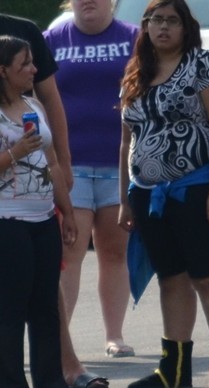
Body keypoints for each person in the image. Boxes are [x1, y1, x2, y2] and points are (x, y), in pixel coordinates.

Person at [118, 0, 209, 388]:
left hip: (197, 188)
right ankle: (172, 370)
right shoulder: (137, 70)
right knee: (171, 279)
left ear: (186, 27)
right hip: (146, 194)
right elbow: (128, 139)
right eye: (156, 20)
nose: (163, 28)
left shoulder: (205, 65)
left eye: (172, 21)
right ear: (145, 26)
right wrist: (125, 198)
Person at [0, 11, 107, 388]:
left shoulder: (34, 106)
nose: (34, 69)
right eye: (25, 64)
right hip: (6, 219)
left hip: (42, 215)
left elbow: (52, 161)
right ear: (3, 71)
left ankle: (51, 382)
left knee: (45, 303)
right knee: (10, 307)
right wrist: (15, 152)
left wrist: (66, 208)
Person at [45, 0, 139, 360]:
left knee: (114, 252)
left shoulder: (134, 39)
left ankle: (114, 336)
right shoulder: (53, 39)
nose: (89, 1)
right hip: (70, 165)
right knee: (69, 252)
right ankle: (59, 340)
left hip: (120, 164)